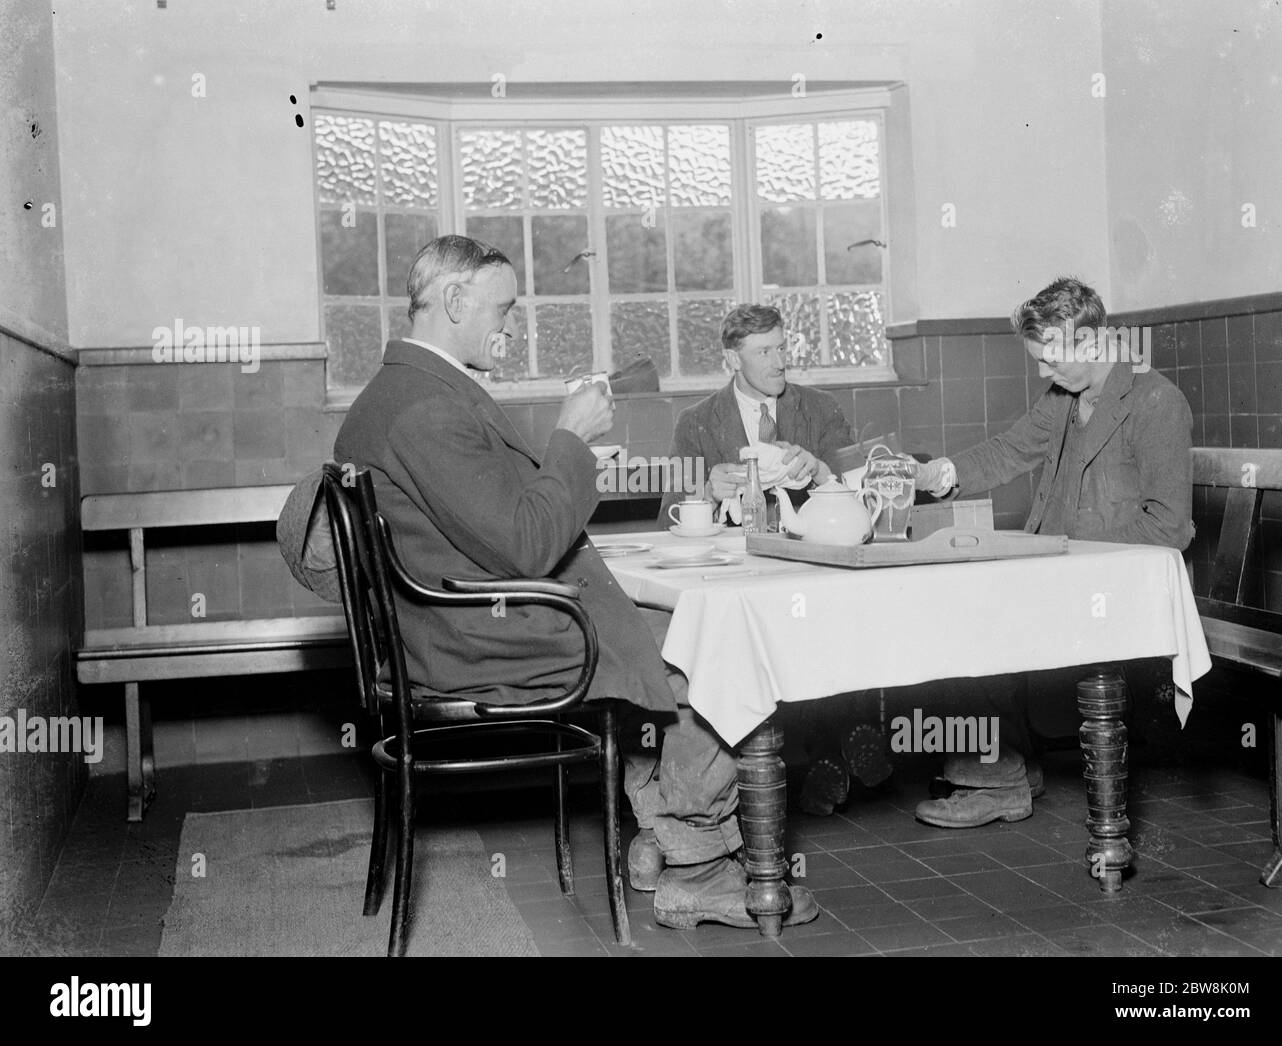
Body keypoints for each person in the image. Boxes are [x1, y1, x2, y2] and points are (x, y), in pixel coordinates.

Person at [333, 235, 815, 929]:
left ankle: (660, 834)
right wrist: (571, 439)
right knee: (705, 645)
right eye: (502, 308)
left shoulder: (402, 391)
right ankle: (699, 867)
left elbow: (488, 517)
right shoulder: (425, 407)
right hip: (470, 641)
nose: (509, 326)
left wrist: (563, 464)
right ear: (455, 301)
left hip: (451, 622)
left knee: (666, 632)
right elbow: (527, 543)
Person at [909, 275, 1193, 828]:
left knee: (979, 619)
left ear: (1090, 342)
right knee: (964, 602)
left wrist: (1065, 556)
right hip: (1065, 577)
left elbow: (1166, 528)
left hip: (1118, 590)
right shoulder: (1065, 397)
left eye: (1050, 359)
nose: (1044, 372)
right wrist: (934, 474)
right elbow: (1010, 450)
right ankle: (1007, 767)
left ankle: (998, 779)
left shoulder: (1157, 402)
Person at [657, 304, 894, 817]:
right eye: (764, 352)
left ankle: (822, 756)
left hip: (805, 574)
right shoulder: (697, 423)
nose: (779, 362)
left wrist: (821, 471)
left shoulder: (821, 410)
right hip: (736, 580)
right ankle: (820, 761)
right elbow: (665, 516)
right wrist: (702, 488)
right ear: (731, 361)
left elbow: (863, 490)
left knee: (819, 645)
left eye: (783, 348)